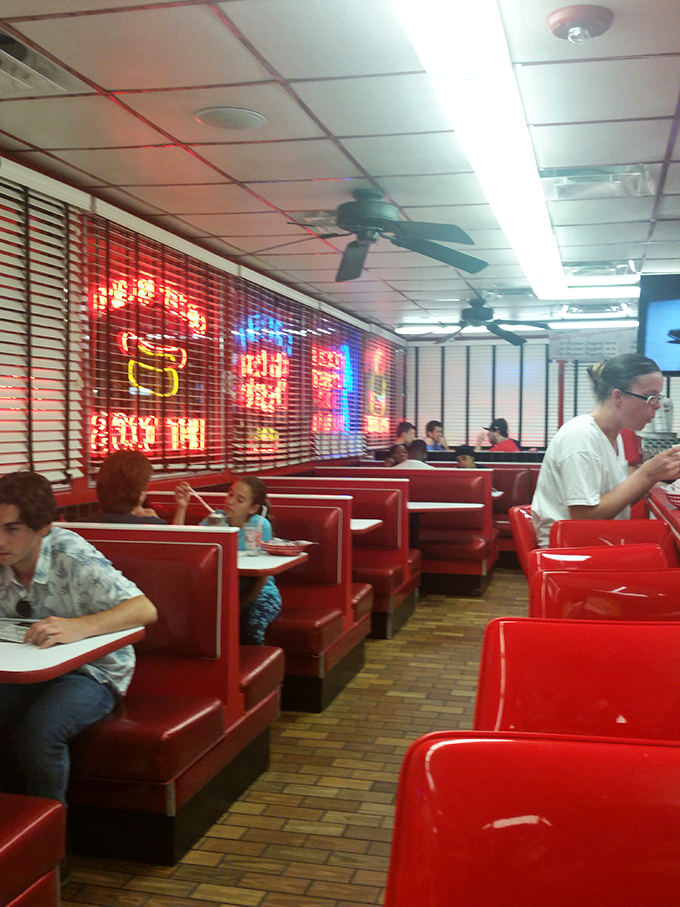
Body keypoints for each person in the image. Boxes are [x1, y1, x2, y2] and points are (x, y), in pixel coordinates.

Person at [0, 471, 157, 804]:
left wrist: (79, 627)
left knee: (39, 735)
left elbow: (145, 609)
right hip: (27, 669)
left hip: (92, 671)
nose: (0, 540)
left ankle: (48, 843)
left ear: (43, 527)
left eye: (12, 529)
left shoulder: (70, 553)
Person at [531, 354, 680, 547]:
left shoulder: (613, 435)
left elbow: (617, 502)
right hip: (569, 553)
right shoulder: (581, 436)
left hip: (598, 541)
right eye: (651, 397)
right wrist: (646, 472)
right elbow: (583, 519)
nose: (658, 406)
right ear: (617, 396)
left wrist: (653, 476)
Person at [199, 476, 281, 645]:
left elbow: (262, 576)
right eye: (230, 494)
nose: (230, 501)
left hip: (260, 592)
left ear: (253, 508)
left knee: (252, 626)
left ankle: (256, 668)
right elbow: (184, 542)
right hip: (224, 590)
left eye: (239, 500)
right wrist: (182, 507)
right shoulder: (215, 520)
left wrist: (240, 605)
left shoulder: (258, 526)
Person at [94, 450, 192, 525]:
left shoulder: (81, 528)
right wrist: (181, 508)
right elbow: (174, 544)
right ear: (141, 495)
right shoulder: (152, 524)